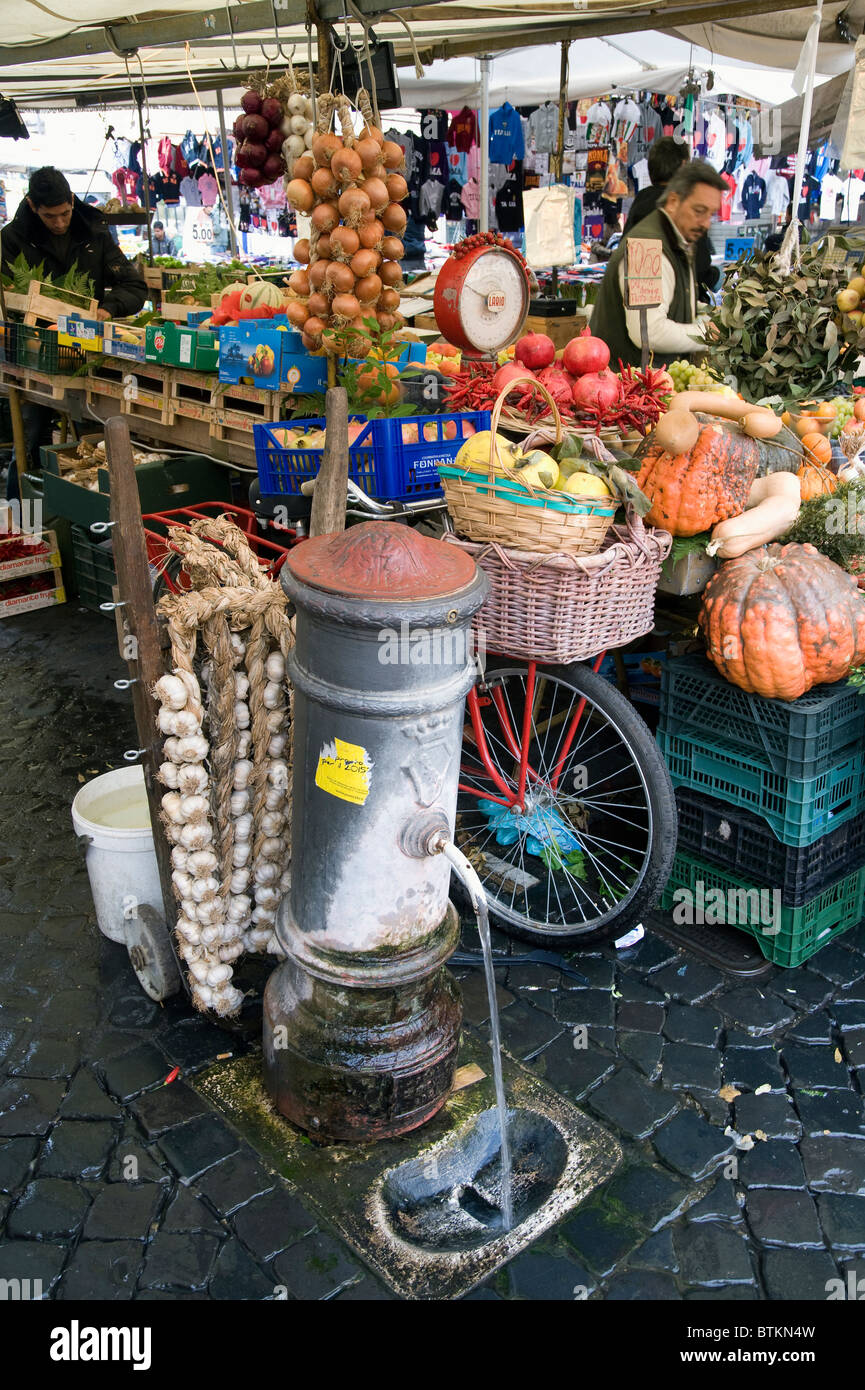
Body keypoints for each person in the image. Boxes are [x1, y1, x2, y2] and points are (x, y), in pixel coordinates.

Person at [1, 167, 147, 501]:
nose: (59, 222)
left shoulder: (91, 230)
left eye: (65, 213)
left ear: (71, 201)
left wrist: (107, 308)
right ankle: (24, 529)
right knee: (30, 444)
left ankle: (90, 527)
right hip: (33, 355)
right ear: (32, 206)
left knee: (92, 446)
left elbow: (134, 285)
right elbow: (8, 298)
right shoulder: (12, 238)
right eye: (50, 216)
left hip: (86, 356)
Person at [589, 159, 726, 370]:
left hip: (649, 386)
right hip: (625, 390)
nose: (706, 223)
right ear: (673, 202)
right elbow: (648, 333)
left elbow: (672, 299)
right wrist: (706, 332)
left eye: (711, 214)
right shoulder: (646, 247)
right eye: (699, 211)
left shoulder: (679, 240)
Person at [623, 136, 719, 299]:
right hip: (675, 307)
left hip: (639, 302)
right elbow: (699, 270)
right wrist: (715, 276)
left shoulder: (642, 200)